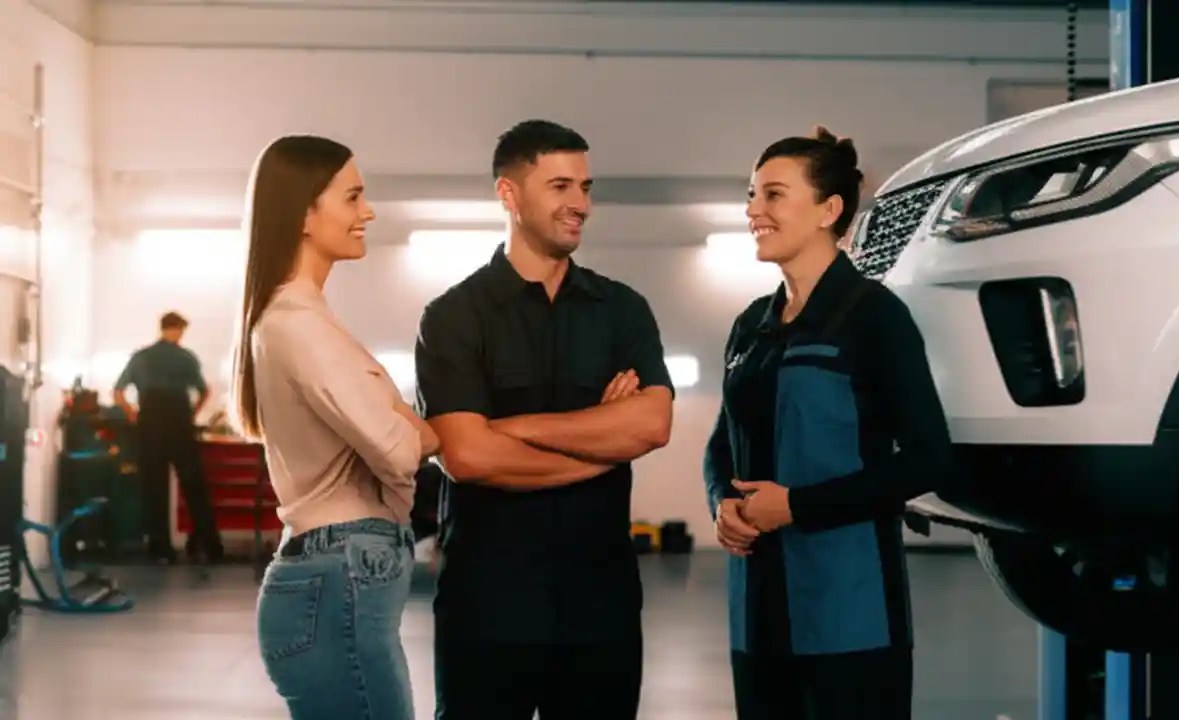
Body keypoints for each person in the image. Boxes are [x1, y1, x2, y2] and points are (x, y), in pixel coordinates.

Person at [415, 118, 674, 720]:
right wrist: (604, 438)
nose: (580, 204)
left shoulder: (623, 310)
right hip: (487, 610)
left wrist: (510, 428)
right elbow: (468, 458)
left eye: (585, 187)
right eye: (561, 186)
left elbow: (653, 426)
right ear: (509, 195)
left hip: (601, 610)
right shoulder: (453, 316)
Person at [702, 127, 953, 719]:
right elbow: (722, 439)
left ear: (829, 210)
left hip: (850, 611)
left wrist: (798, 507)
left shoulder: (874, 317)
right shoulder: (750, 325)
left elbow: (929, 457)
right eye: (751, 195)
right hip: (759, 606)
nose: (753, 211)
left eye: (772, 195)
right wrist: (720, 501)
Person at [228, 134, 439, 720]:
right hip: (337, 581)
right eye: (353, 197)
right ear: (303, 214)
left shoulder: (305, 319)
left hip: (337, 583)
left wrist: (406, 424)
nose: (366, 212)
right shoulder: (297, 325)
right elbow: (399, 449)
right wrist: (421, 430)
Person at [114, 311, 224, 564]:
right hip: (179, 427)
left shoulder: (140, 357)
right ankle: (211, 546)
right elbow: (204, 392)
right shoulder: (185, 358)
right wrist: (191, 415)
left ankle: (160, 549)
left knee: (154, 489)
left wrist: (132, 414)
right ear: (176, 329)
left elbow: (118, 392)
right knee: (195, 488)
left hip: (150, 427)